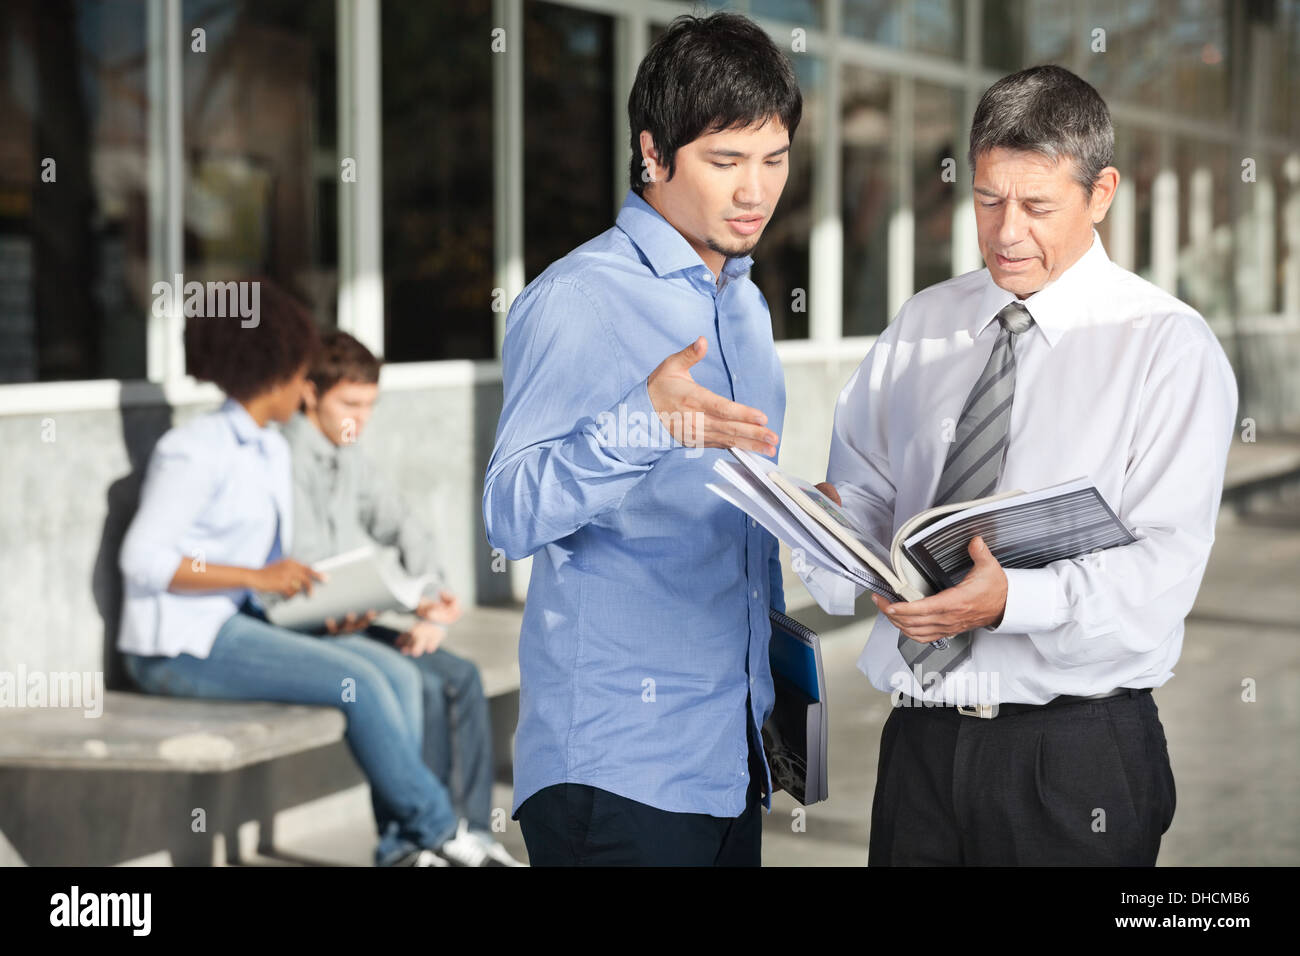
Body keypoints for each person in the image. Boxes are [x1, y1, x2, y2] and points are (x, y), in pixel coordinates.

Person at [810, 65, 1238, 865]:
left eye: (1037, 206)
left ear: (1101, 192)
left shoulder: (1165, 348)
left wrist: (1013, 601)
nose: (1006, 232)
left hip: (1073, 762)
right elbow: (864, 484)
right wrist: (832, 528)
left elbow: (1162, 575)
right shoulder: (925, 322)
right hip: (921, 751)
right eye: (987, 199)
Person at [482, 11, 801, 865]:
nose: (755, 191)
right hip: (618, 771)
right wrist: (641, 422)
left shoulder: (745, 301)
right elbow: (507, 513)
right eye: (725, 161)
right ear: (653, 154)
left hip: (733, 758)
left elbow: (727, 513)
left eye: (773, 160)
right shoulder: (579, 298)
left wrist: (810, 521)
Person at [117, 280, 492, 866]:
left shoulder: (264, 448)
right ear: (273, 370)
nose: (304, 387)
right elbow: (143, 560)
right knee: (365, 686)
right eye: (299, 371)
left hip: (236, 626)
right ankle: (441, 832)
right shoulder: (193, 449)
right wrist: (255, 575)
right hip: (177, 645)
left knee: (393, 675)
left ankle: (411, 851)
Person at [280, 329, 523, 867]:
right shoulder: (284, 458)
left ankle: (468, 835)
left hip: (351, 618)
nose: (360, 418)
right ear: (309, 394)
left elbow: (404, 526)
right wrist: (395, 600)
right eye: (350, 403)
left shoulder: (350, 455)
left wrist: (431, 597)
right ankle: (409, 848)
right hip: (300, 628)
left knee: (458, 675)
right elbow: (307, 564)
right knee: (416, 681)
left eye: (369, 405)